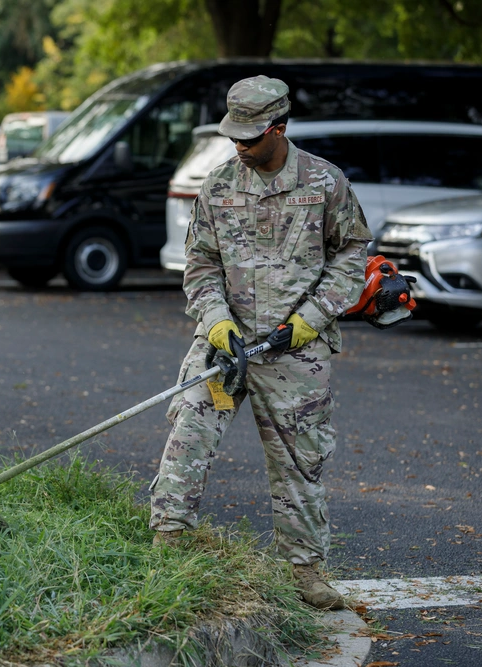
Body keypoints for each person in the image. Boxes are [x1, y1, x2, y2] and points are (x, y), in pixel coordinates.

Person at [148, 75, 372, 611]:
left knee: (300, 460)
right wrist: (216, 321)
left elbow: (352, 255)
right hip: (226, 346)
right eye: (234, 138)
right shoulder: (218, 186)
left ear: (280, 127)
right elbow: (200, 266)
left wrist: (312, 319)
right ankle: (167, 545)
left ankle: (304, 572)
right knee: (189, 429)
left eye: (250, 138)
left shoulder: (324, 183)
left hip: (295, 349)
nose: (240, 148)